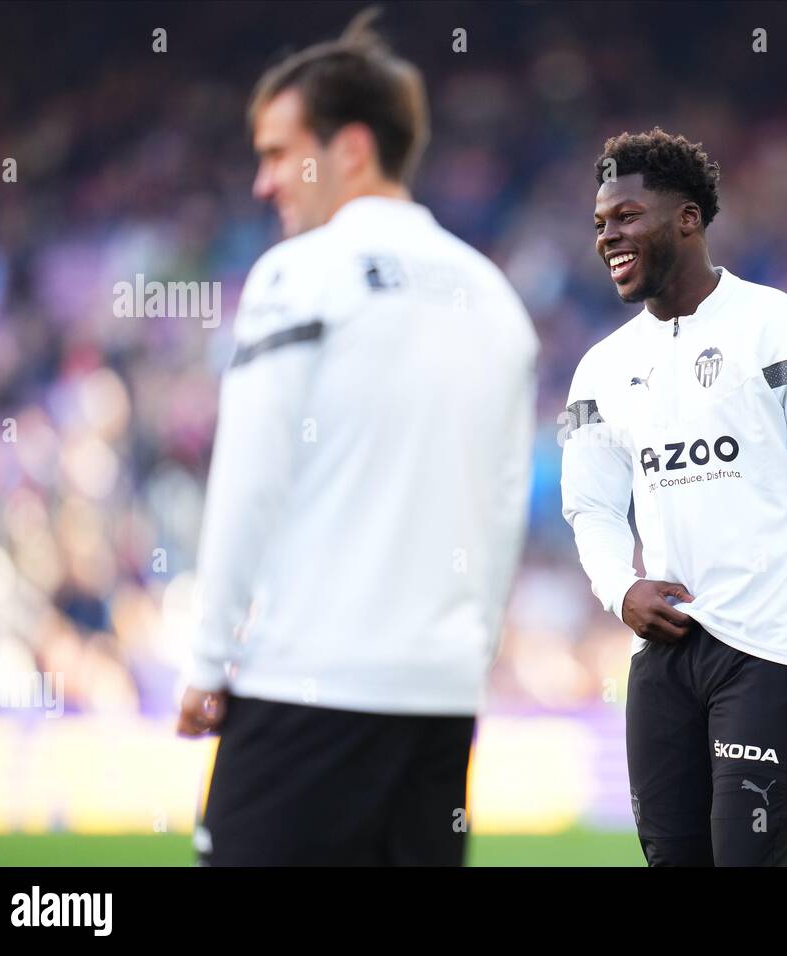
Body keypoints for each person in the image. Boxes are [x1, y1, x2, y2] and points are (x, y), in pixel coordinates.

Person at [175, 9, 538, 866]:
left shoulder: (297, 275)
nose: (263, 183)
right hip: (438, 707)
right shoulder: (496, 300)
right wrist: (467, 659)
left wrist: (207, 659)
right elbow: (502, 514)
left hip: (305, 691)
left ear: (350, 149)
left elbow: (248, 478)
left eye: (277, 153)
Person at [561, 128, 787, 866]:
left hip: (767, 651)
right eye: (600, 223)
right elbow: (590, 505)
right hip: (662, 656)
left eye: (627, 216)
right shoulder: (600, 367)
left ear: (688, 218)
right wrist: (620, 588)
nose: (607, 236)